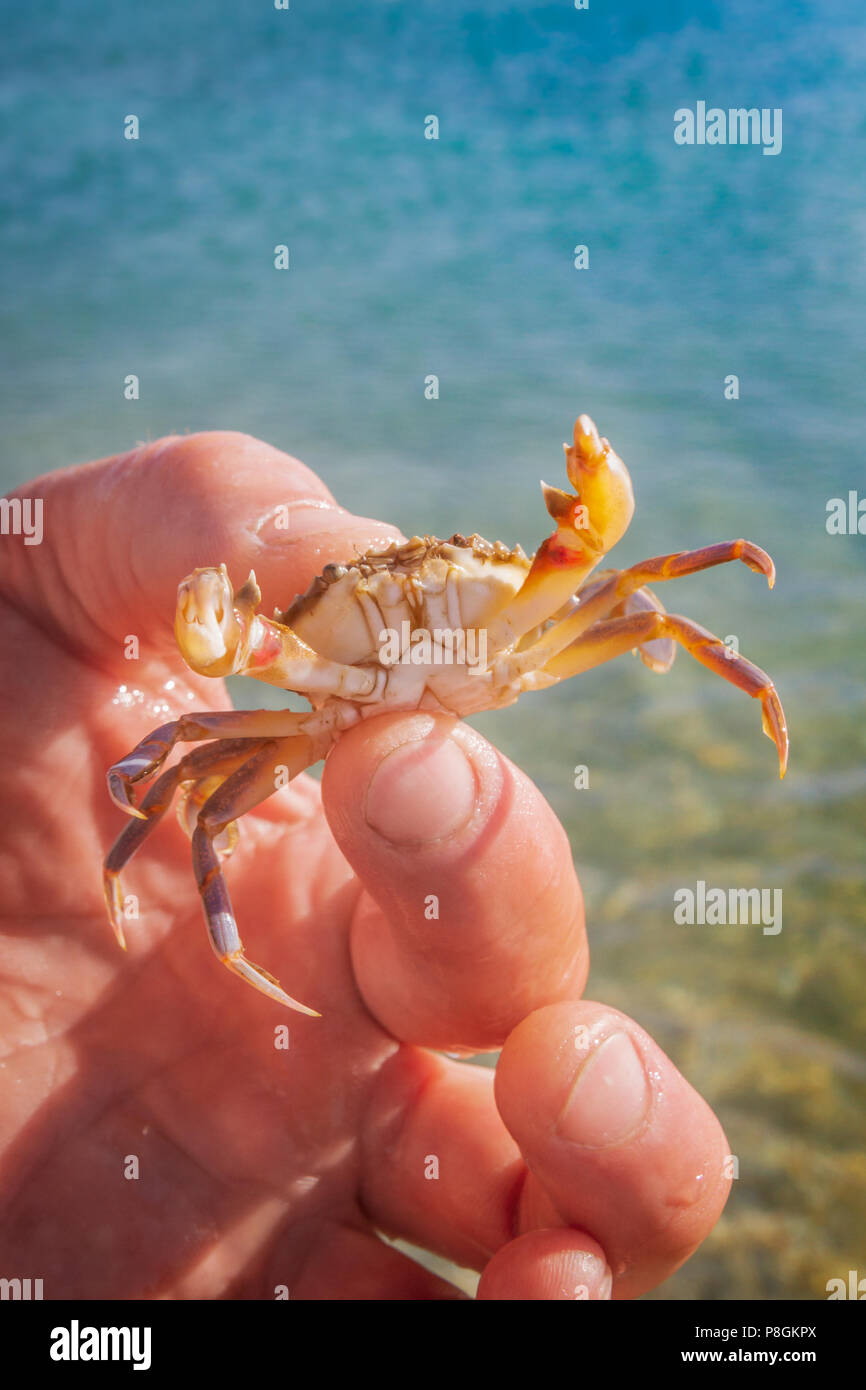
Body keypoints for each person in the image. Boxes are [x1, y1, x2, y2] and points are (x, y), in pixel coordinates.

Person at [0, 432, 731, 1300]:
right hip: (326, 686)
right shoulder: (282, 649)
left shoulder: (527, 618)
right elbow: (165, 751)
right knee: (195, 788)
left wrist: (694, 638)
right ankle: (233, 954)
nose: (407, 602)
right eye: (370, 595)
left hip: (465, 662)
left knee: (645, 607)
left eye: (441, 575)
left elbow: (636, 589)